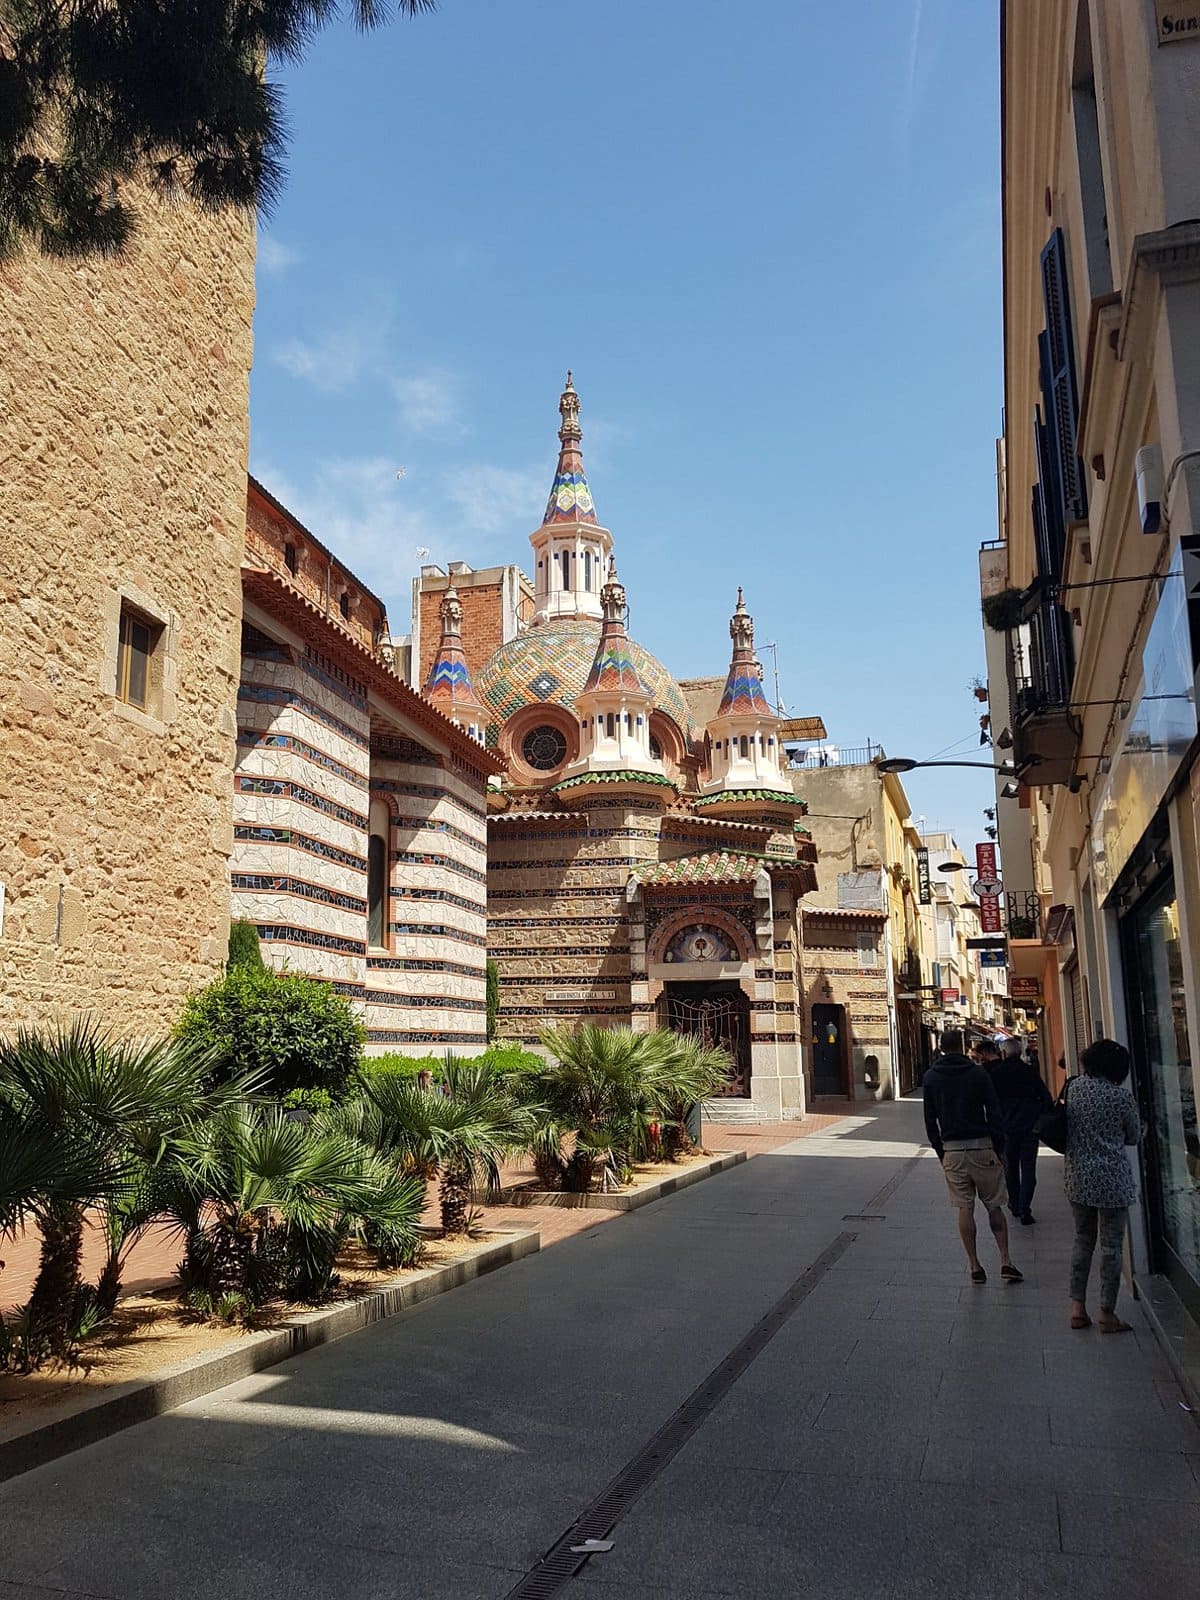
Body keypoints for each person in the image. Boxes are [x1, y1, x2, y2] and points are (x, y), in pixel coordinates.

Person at [923, 1028, 1022, 1285]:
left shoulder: (931, 1077)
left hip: (953, 1150)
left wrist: (941, 1151)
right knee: (994, 1205)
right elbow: (994, 1113)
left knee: (964, 1207)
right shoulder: (978, 1073)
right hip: (982, 1146)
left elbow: (930, 1122)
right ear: (963, 1045)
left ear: (942, 1048)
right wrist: (1000, 1148)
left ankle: (974, 1265)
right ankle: (1005, 1260)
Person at [1065, 1038, 1142, 1333]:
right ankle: (1106, 1313)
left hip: (1078, 1178)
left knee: (1083, 1240)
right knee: (1111, 1247)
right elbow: (1133, 1136)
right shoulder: (1120, 1097)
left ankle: (1076, 1307)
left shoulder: (1073, 1089)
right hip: (1112, 1180)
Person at [989, 1037, 1052, 1225]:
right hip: (1029, 1129)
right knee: (1028, 1168)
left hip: (1006, 1130)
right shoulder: (1029, 1072)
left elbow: (989, 1103)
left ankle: (1014, 1204)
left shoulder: (996, 1074)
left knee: (1010, 1169)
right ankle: (1025, 1209)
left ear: (1004, 1053)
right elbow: (1046, 1099)